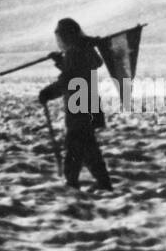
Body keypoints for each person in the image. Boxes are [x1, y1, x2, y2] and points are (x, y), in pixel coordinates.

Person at [38, 18, 113, 190]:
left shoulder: (74, 52)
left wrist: (47, 93)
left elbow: (68, 80)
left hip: (77, 106)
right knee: (87, 148)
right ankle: (103, 183)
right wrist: (60, 62)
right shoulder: (84, 49)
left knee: (75, 147)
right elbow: (80, 70)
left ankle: (72, 184)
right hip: (89, 104)